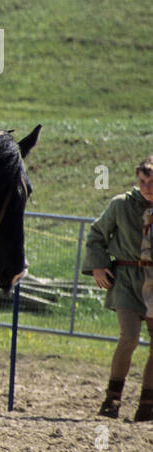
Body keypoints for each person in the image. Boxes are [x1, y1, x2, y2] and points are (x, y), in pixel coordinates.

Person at [84, 156, 153, 421]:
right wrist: (99, 266)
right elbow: (96, 235)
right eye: (142, 181)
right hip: (126, 279)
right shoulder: (120, 205)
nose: (147, 187)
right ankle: (112, 398)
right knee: (129, 338)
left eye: (152, 182)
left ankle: (147, 403)